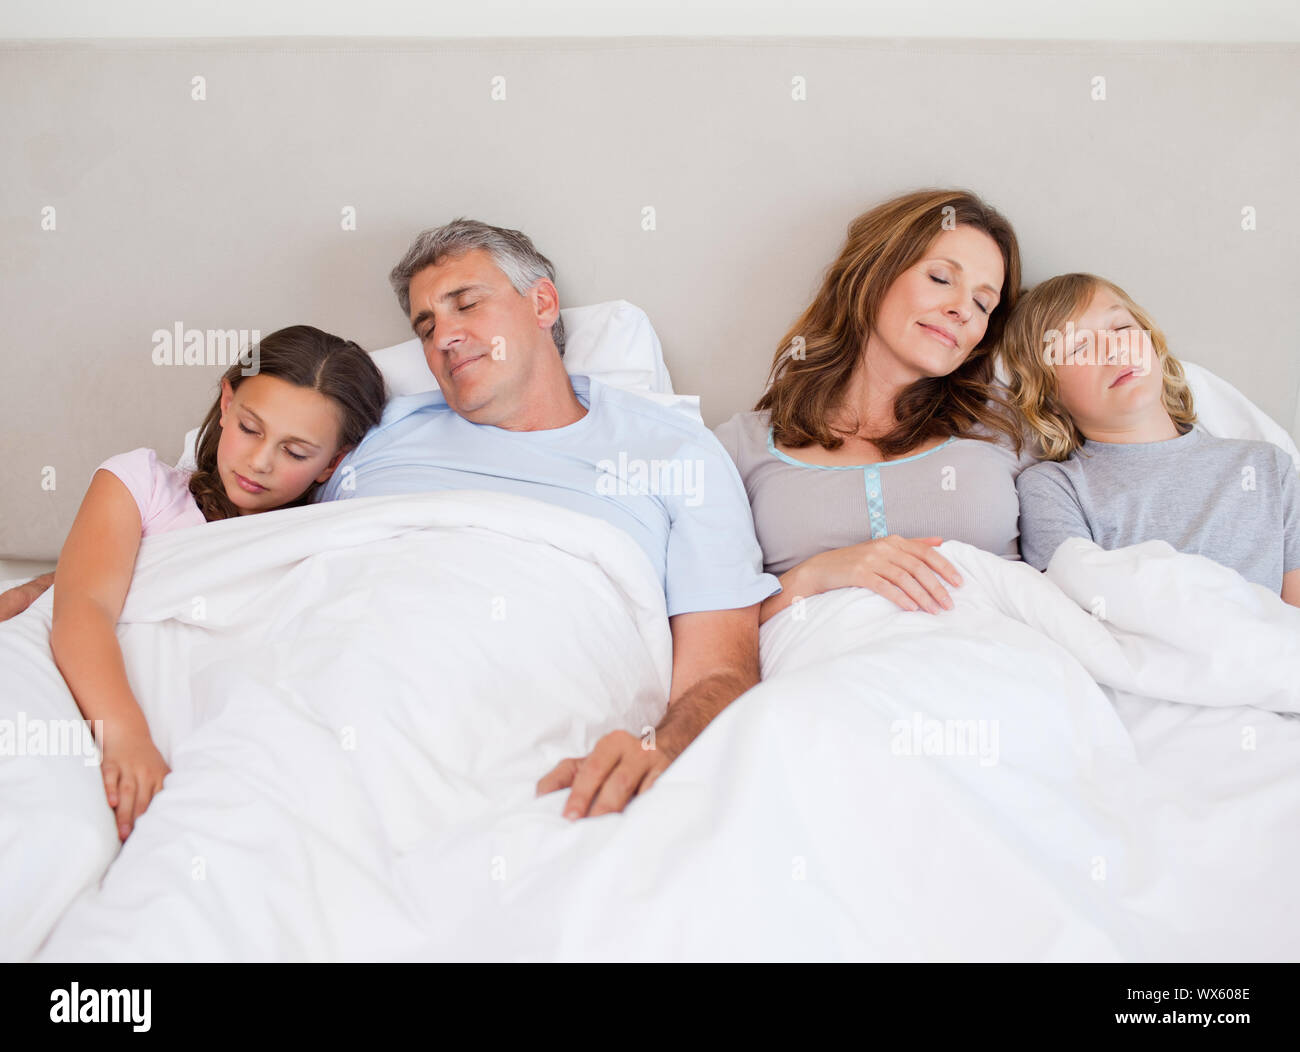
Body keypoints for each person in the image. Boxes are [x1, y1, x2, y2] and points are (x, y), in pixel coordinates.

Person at [318, 219, 780, 820]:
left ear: (542, 304)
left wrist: (659, 747)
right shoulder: (378, 437)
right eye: (425, 327)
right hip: (328, 687)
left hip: (520, 724)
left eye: (466, 304)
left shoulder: (674, 453)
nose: (444, 338)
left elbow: (720, 668)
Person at [48, 326, 385, 842]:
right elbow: (84, 604)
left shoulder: (320, 541)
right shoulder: (141, 486)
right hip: (108, 718)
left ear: (333, 464)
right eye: (250, 428)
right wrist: (127, 738)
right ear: (227, 403)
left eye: (296, 453)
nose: (260, 462)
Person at [714, 189, 1032, 622]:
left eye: (983, 304)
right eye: (941, 278)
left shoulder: (1010, 436)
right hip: (821, 662)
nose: (963, 310)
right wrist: (815, 576)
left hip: (998, 657)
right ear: (874, 272)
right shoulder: (738, 448)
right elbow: (711, 634)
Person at [1003, 272, 1300, 605]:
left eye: (1121, 329)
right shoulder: (1055, 488)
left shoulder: (1268, 467)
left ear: (1152, 343)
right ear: (1049, 397)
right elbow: (1076, 614)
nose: (1114, 350)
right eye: (1079, 347)